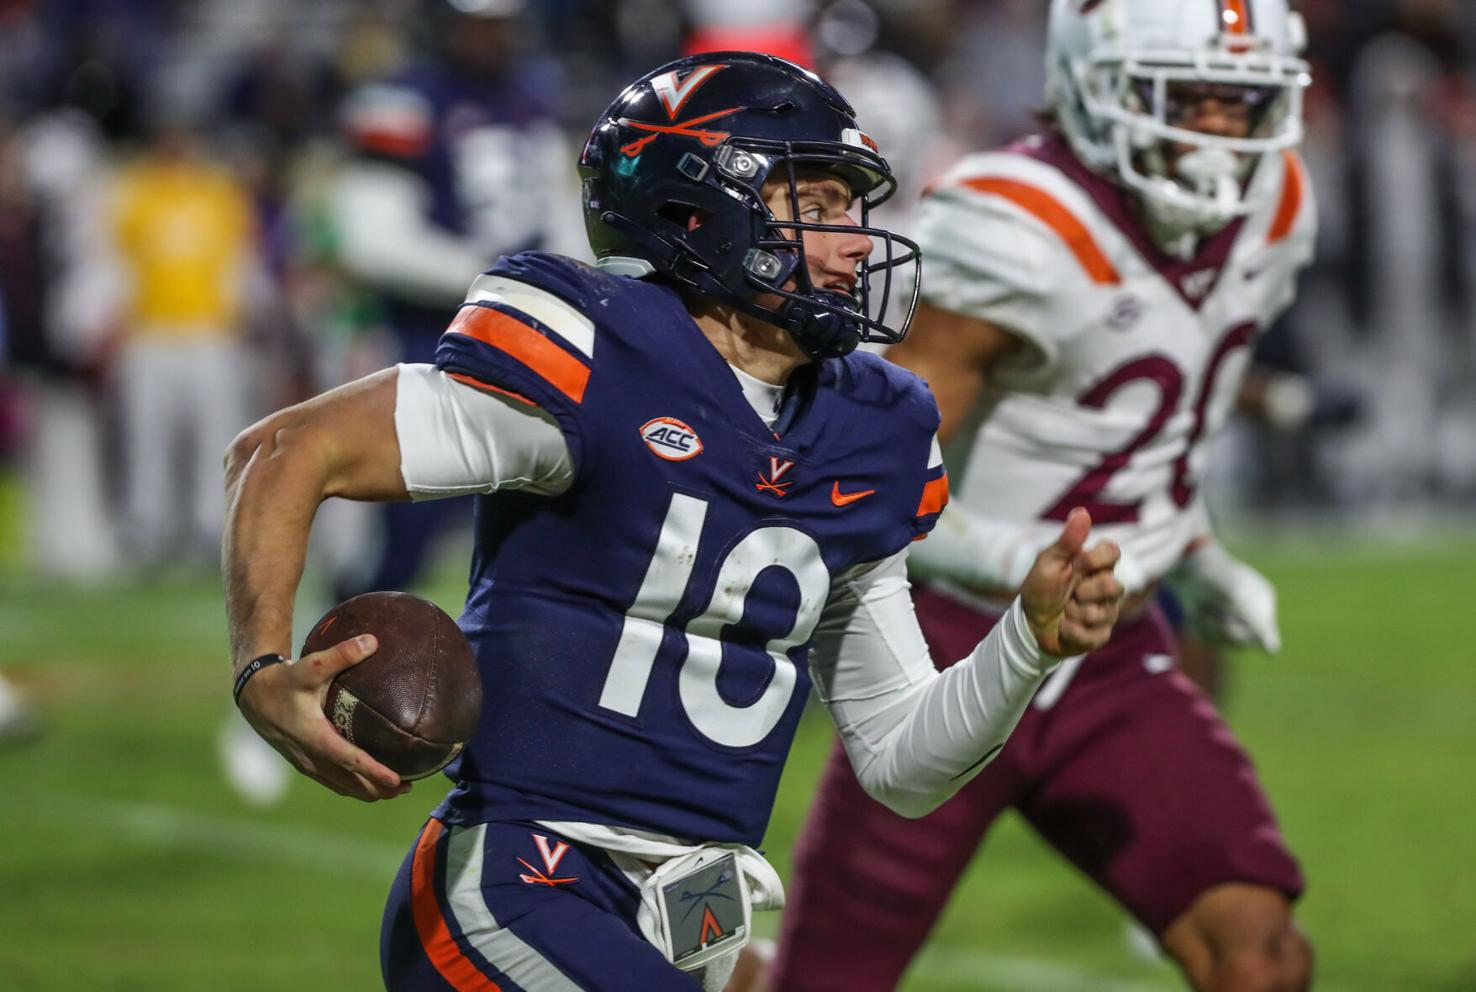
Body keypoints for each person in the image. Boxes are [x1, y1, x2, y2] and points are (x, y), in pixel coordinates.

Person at [223, 52, 1124, 991]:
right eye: (814, 206)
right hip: (521, 881)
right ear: (699, 210)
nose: (856, 242)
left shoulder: (875, 427)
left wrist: (1027, 642)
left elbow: (902, 759)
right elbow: (285, 450)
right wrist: (260, 668)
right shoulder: (592, 347)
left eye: (853, 209)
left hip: (693, 916)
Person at [771, 2, 1318, 990]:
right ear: (1098, 86)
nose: (1220, 127)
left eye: (1241, 100)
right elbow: (859, 481)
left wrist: (1197, 552)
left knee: (1259, 954)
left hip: (1111, 655)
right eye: (1190, 96)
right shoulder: (1018, 227)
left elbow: (1144, 428)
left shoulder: (1273, 209)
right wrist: (1011, 563)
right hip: (943, 646)